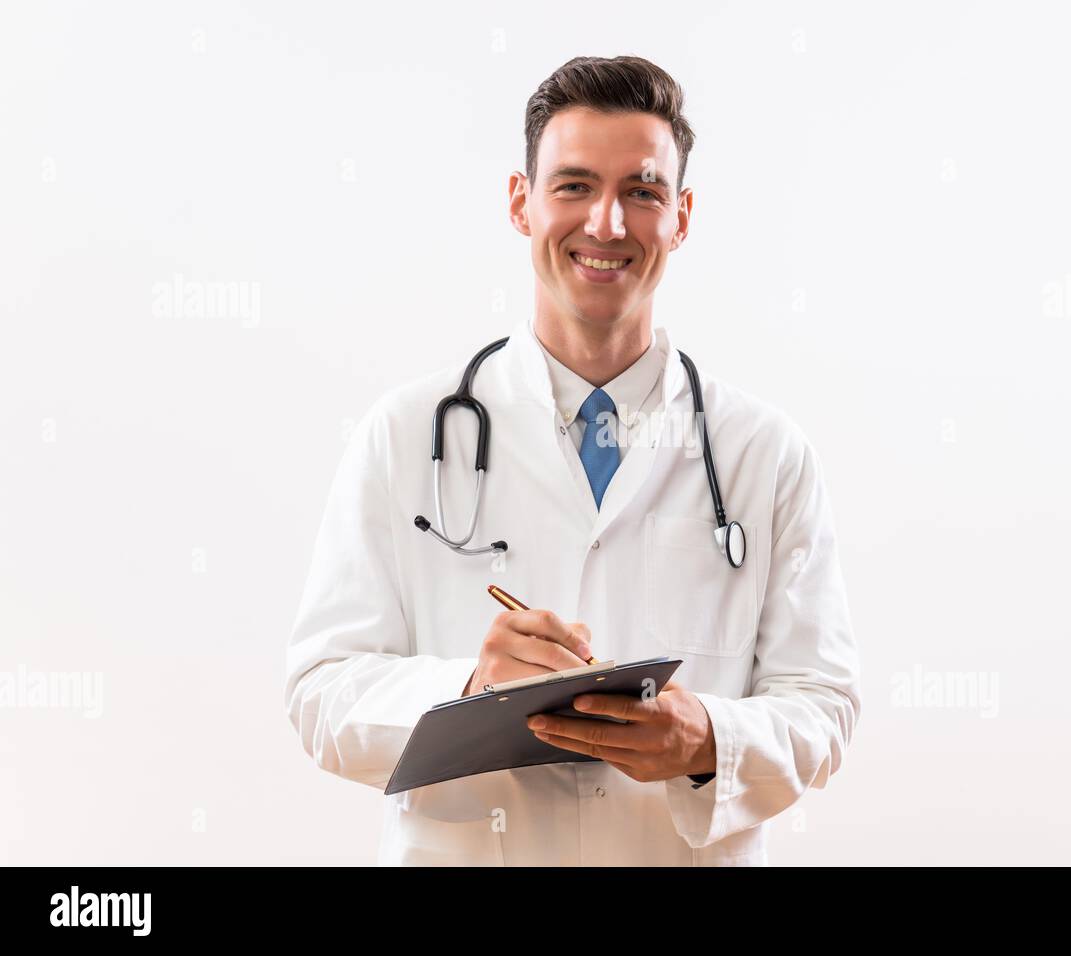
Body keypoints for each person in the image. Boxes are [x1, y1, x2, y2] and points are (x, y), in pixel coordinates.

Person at [284, 54, 860, 866]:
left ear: (682, 216)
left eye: (643, 192)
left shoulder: (764, 454)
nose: (607, 225)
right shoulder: (405, 434)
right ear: (521, 204)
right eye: (575, 186)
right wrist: (469, 693)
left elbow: (824, 704)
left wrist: (708, 740)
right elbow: (319, 692)